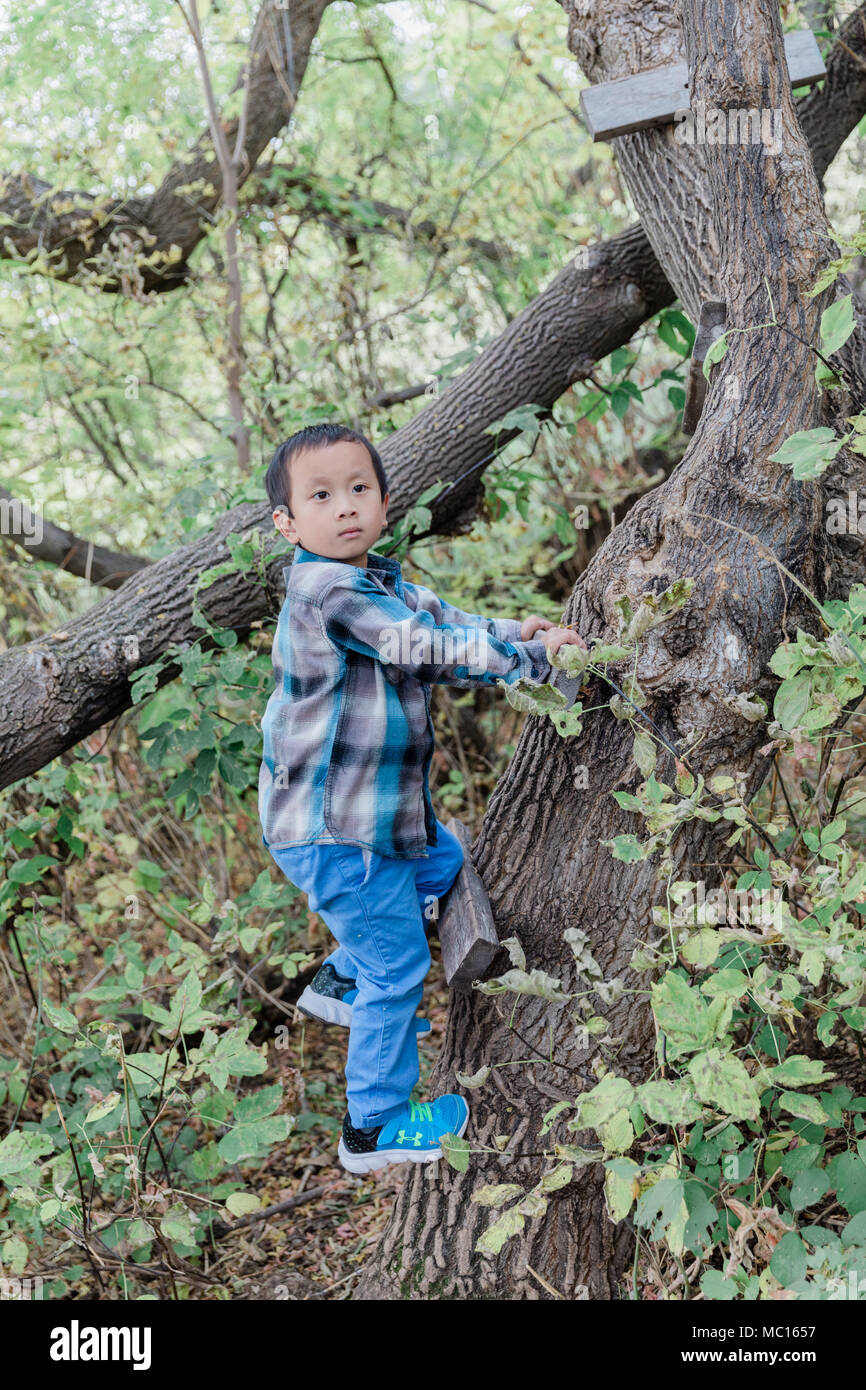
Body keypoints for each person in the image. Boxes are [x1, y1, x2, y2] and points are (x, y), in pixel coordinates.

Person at [258, 422, 586, 1173]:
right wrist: (528, 662)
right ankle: (371, 1125)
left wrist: (513, 630)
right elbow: (417, 647)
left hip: (382, 821)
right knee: (399, 970)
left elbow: (442, 624)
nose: (345, 507)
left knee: (443, 867)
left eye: (359, 489)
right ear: (287, 523)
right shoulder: (328, 589)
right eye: (321, 496)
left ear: (382, 500)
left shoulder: (381, 581)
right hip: (338, 830)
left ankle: (345, 972)